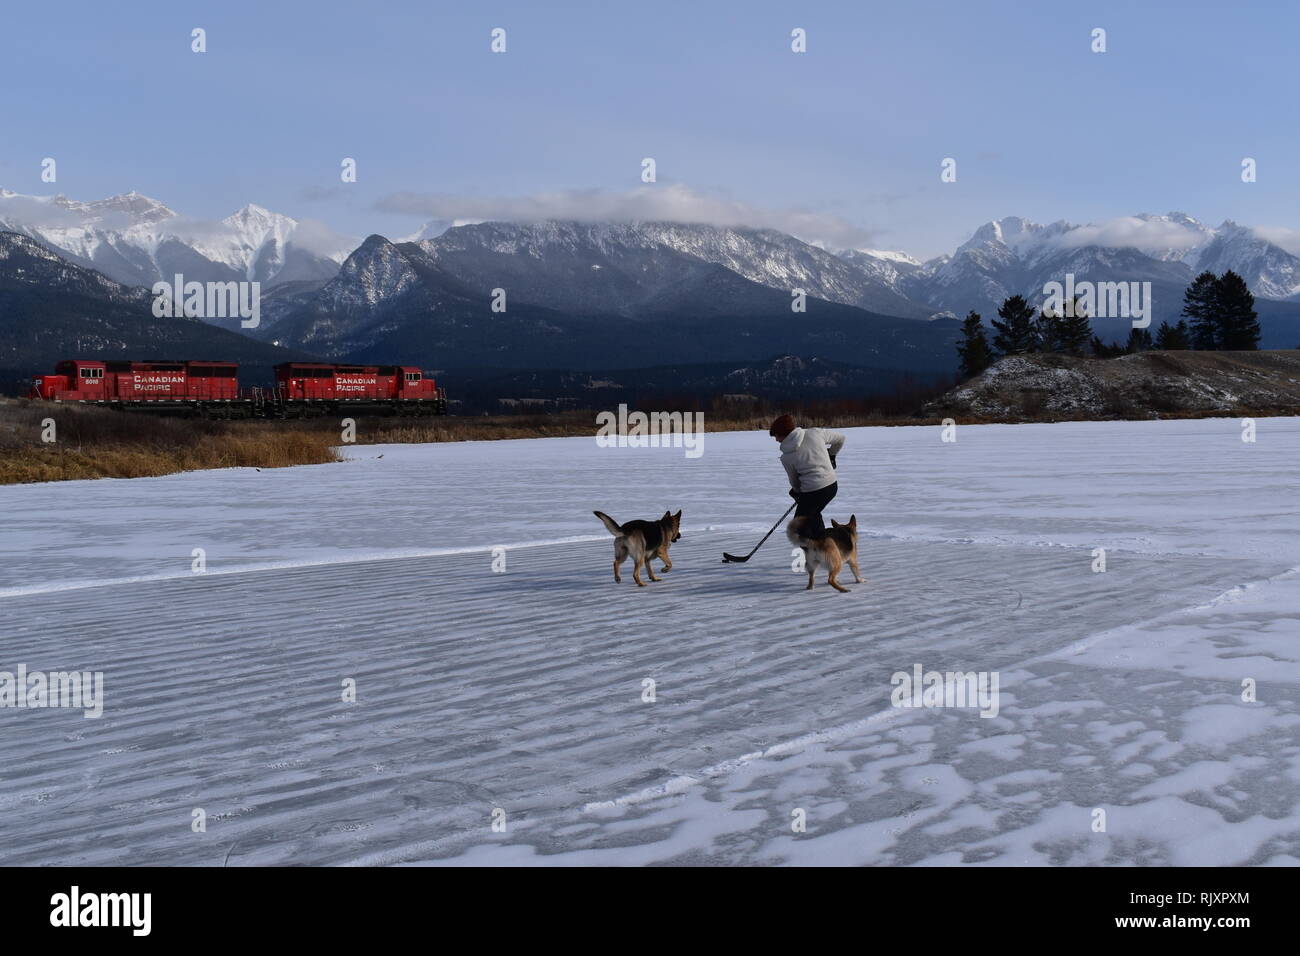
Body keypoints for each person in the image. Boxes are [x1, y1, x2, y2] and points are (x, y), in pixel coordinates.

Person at [769, 414, 845, 539]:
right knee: (813, 516)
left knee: (798, 528)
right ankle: (822, 549)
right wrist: (831, 455)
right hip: (832, 486)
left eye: (777, 435)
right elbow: (841, 439)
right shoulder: (815, 433)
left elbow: (794, 481)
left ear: (785, 433)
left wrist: (798, 493)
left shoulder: (786, 457)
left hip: (813, 492)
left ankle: (819, 555)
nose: (776, 440)